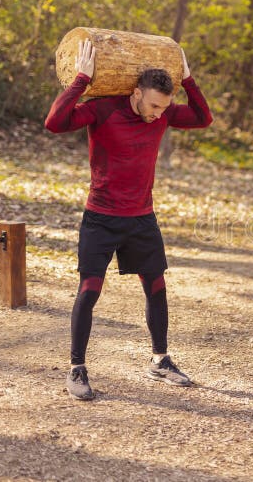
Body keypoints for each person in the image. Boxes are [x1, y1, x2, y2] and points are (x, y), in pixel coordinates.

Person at [45, 39, 213, 400]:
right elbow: (55, 122)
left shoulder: (164, 113)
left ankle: (160, 361)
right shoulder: (102, 109)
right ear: (136, 93)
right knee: (89, 291)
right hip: (101, 219)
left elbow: (203, 118)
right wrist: (80, 80)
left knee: (156, 288)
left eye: (163, 107)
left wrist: (188, 80)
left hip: (141, 219)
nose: (157, 114)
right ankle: (77, 368)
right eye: (152, 105)